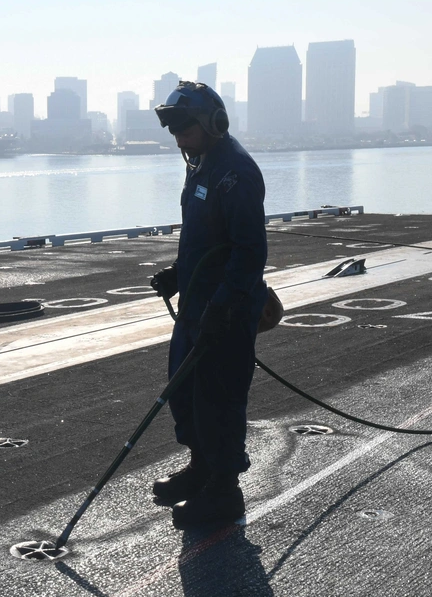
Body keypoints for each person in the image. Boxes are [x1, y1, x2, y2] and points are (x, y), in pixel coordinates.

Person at [149, 81, 269, 529]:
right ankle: (201, 469)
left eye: (184, 127)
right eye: (173, 128)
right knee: (186, 392)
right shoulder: (199, 164)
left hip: (226, 312)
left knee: (219, 399)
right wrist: (178, 275)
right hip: (197, 306)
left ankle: (224, 491)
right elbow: (204, 239)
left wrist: (225, 305)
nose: (177, 137)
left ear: (213, 123)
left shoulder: (235, 172)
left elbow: (248, 251)